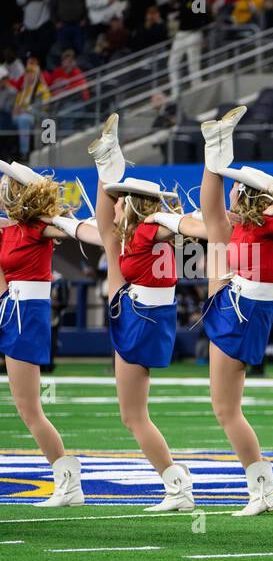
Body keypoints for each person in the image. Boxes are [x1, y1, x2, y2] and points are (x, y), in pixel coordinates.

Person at [168, 106, 273, 514]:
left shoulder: (268, 221)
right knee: (225, 407)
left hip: (244, 307)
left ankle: (263, 491)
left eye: (237, 187)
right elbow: (210, 210)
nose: (233, 192)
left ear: (248, 195)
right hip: (232, 295)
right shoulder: (240, 224)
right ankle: (215, 149)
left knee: (226, 408)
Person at [86, 115, 194, 511]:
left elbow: (185, 228)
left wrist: (166, 215)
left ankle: (177, 485)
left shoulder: (149, 229)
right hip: (133, 306)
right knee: (130, 413)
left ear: (131, 206)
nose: (112, 205)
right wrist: (107, 171)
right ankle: (108, 157)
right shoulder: (132, 235)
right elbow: (104, 219)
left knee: (133, 416)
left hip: (145, 317)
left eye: (119, 200)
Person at [0, 160, 101, 507]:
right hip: (7, 309)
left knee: (29, 408)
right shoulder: (8, 228)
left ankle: (68, 481)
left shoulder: (39, 227)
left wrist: (101, 230)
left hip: (26, 316)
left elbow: (79, 231)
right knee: (26, 406)